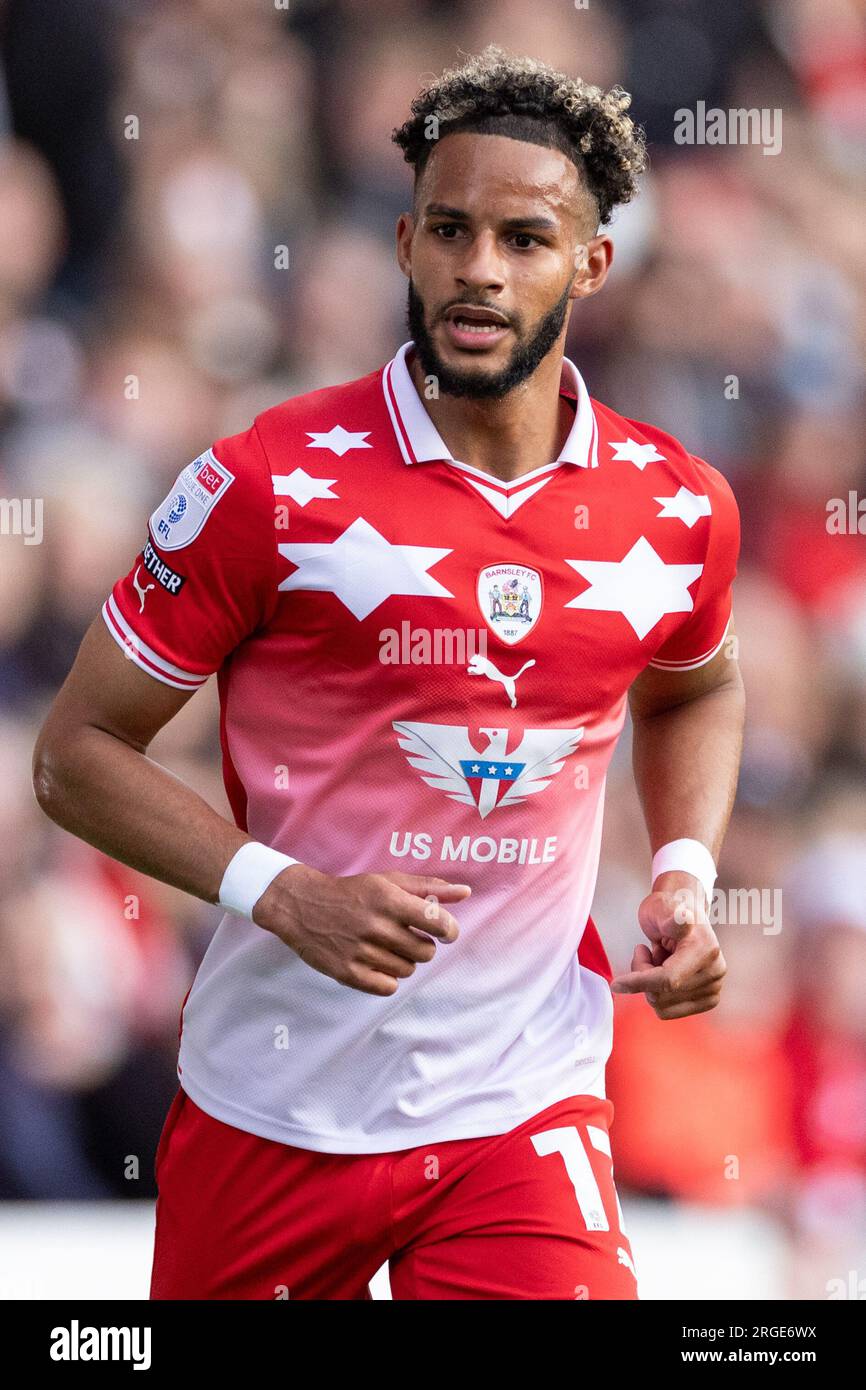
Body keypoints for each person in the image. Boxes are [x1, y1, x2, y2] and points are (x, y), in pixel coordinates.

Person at [32, 45, 744, 1300]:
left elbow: (693, 681)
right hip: (276, 1106)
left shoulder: (674, 505)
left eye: (524, 239)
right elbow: (73, 754)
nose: (479, 270)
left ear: (590, 264)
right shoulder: (264, 485)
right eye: (452, 232)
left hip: (522, 1107)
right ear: (407, 243)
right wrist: (282, 892)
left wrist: (684, 873)